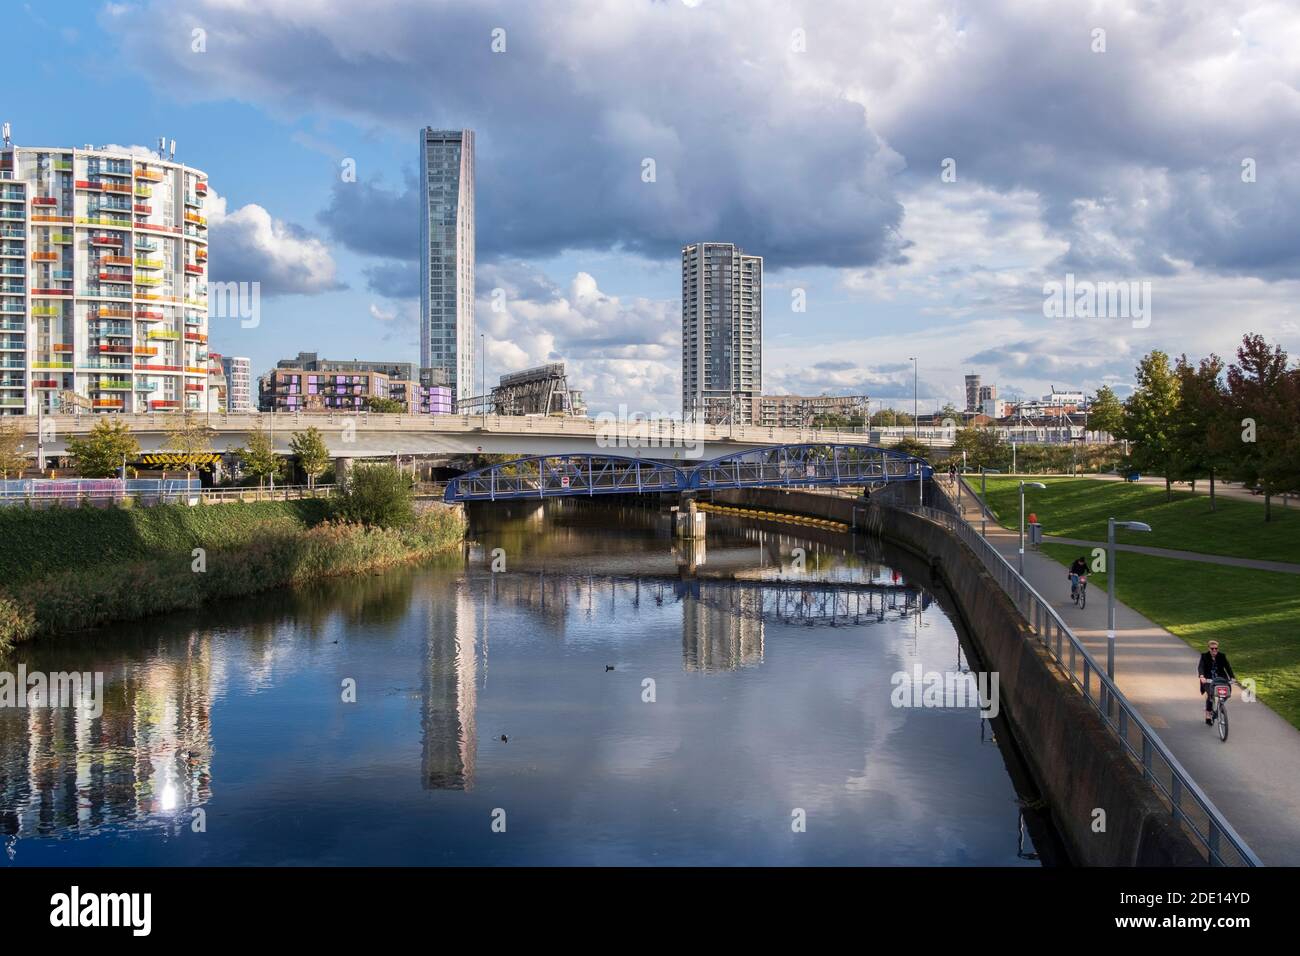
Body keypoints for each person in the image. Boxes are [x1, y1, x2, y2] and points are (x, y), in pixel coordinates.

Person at [1198, 640, 1236, 725]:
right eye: (1212, 649)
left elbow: (1227, 667)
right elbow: (1201, 667)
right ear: (1209, 648)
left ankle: (1220, 706)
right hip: (1208, 679)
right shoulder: (1204, 656)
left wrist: (1232, 677)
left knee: (1227, 691)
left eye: (1216, 648)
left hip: (1221, 678)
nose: (1214, 650)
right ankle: (1208, 715)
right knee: (1210, 695)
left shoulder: (1222, 656)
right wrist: (1201, 676)